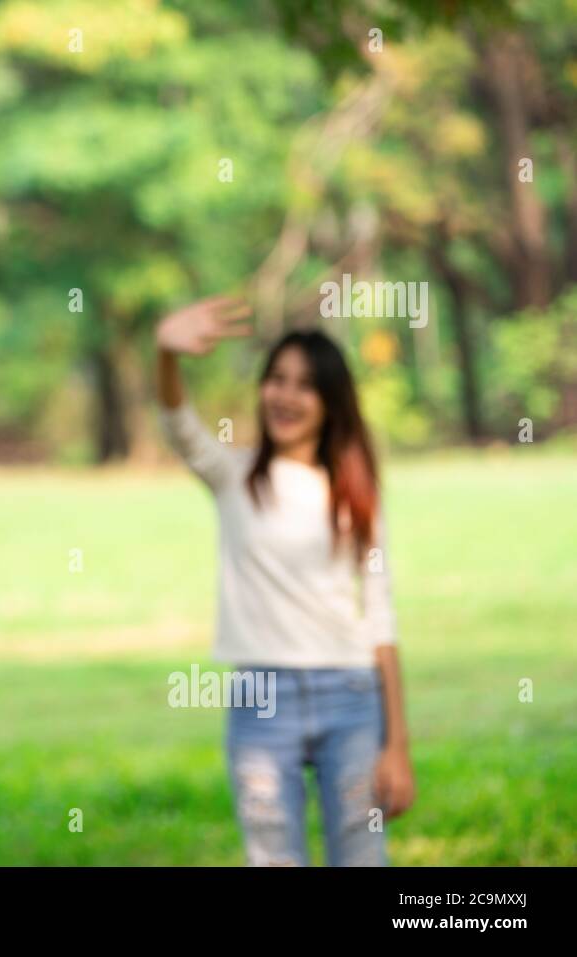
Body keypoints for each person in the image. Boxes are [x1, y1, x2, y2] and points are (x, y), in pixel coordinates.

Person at [154, 297, 415, 866]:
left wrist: (397, 745)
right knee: (273, 857)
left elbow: (380, 613)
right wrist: (167, 354)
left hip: (350, 695)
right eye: (276, 380)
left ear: (330, 402)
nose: (285, 396)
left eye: (304, 385)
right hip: (261, 699)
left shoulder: (355, 490)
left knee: (360, 855)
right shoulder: (236, 475)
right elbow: (178, 424)